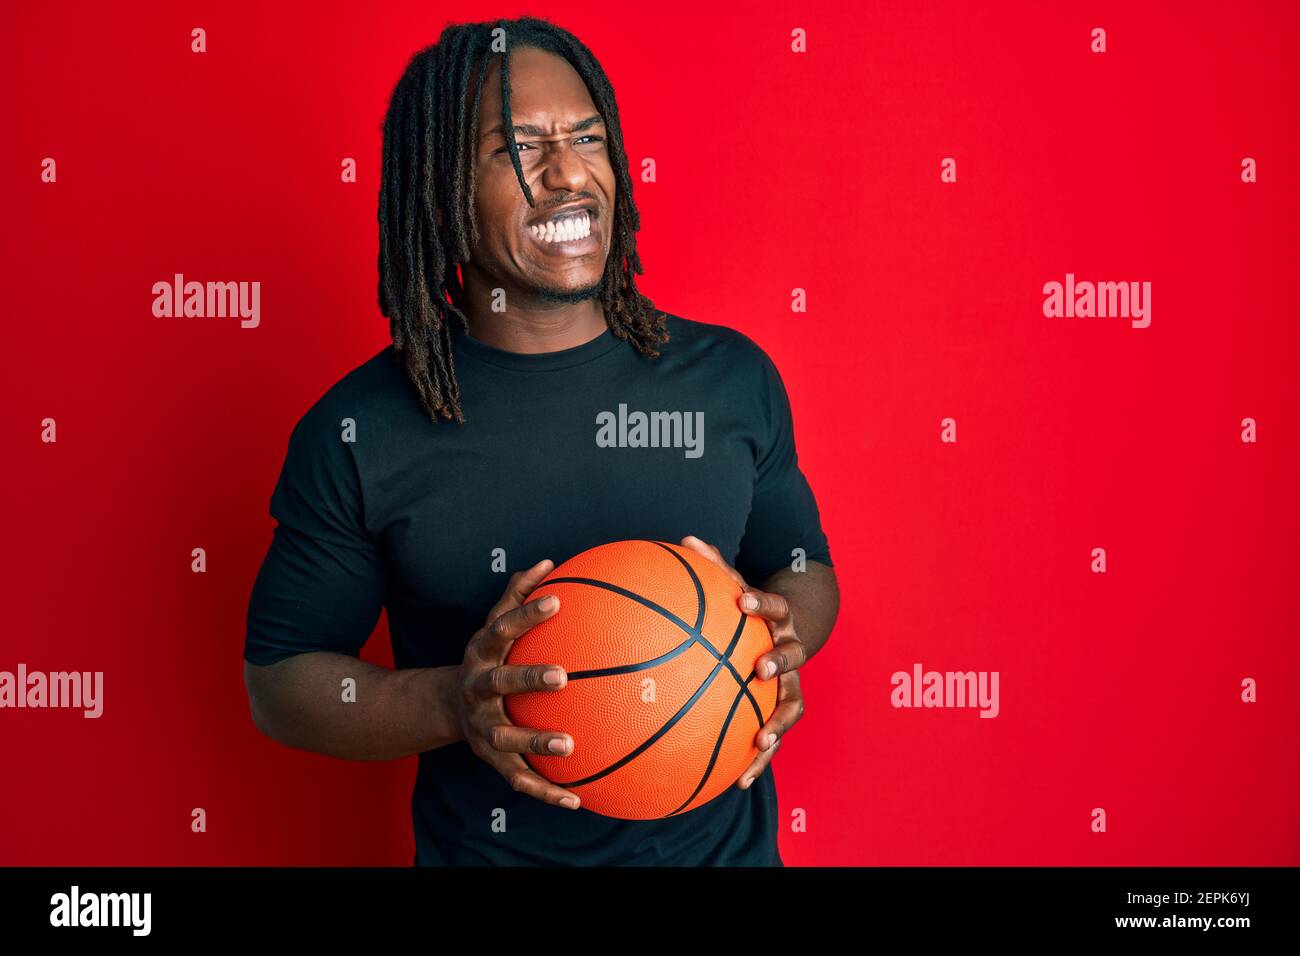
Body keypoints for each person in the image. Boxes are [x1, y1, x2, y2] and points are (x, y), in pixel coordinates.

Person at [242, 15, 839, 866]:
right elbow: (282, 684)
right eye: (516, 148)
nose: (567, 172)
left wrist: (784, 638)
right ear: (442, 187)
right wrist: (457, 701)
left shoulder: (731, 380)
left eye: (586, 135)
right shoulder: (360, 430)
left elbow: (805, 568)